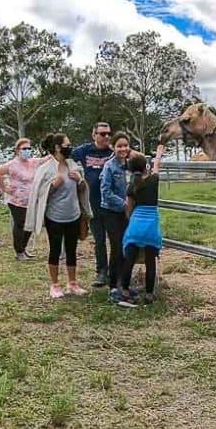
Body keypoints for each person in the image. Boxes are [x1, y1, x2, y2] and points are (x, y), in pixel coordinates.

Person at [25, 133, 93, 298]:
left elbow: (82, 190)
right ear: (57, 147)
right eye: (67, 145)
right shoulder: (45, 169)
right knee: (55, 250)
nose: (69, 148)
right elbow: (39, 195)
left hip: (73, 215)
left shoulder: (73, 165)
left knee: (71, 249)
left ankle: (72, 283)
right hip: (54, 216)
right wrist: (53, 186)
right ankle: (55, 285)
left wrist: (80, 181)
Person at [116, 145, 165, 306]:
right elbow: (157, 165)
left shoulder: (131, 186)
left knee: (129, 260)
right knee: (150, 262)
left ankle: (124, 290)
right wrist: (158, 153)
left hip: (136, 225)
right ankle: (149, 295)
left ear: (131, 170)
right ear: (146, 167)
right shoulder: (153, 180)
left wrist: (132, 222)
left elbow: (128, 208)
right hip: (151, 227)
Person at [72, 122, 115, 286]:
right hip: (93, 203)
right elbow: (64, 156)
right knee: (99, 240)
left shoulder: (114, 151)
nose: (106, 137)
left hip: (112, 204)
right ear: (94, 135)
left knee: (115, 239)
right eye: (102, 134)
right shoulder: (84, 151)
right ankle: (102, 272)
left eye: (109, 133)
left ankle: (116, 272)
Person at [0, 138, 51, 261]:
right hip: (17, 200)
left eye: (29, 148)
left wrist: (55, 148)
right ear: (17, 150)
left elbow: (47, 159)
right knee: (20, 224)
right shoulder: (12, 165)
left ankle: (23, 248)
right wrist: (4, 188)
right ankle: (19, 251)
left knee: (30, 225)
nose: (27, 151)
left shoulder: (33, 162)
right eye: (24, 148)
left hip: (31, 200)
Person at [100, 132, 133, 299]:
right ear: (113, 147)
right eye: (119, 146)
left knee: (127, 248)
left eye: (125, 145)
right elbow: (105, 192)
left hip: (128, 213)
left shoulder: (131, 165)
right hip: (112, 212)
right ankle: (113, 286)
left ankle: (125, 284)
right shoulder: (109, 166)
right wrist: (124, 203)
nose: (123, 149)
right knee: (116, 248)